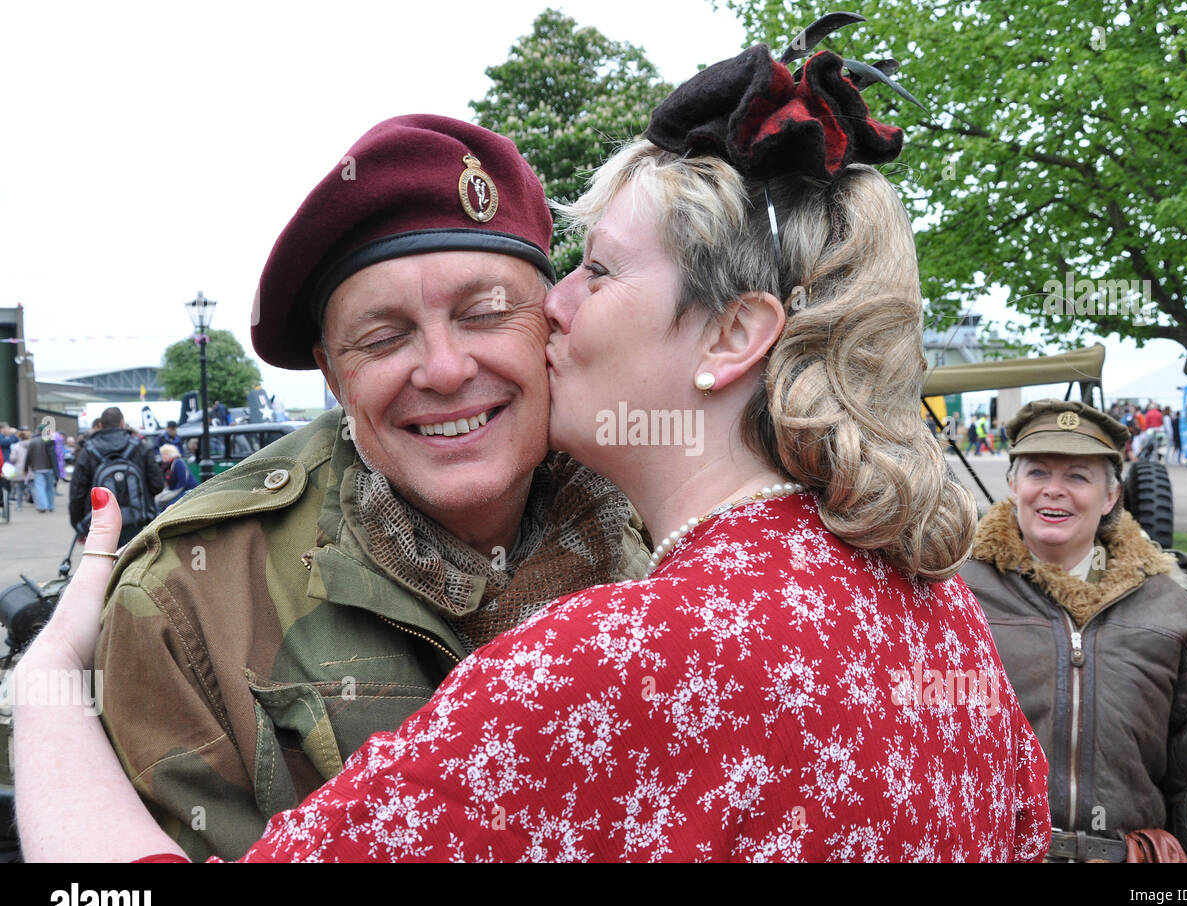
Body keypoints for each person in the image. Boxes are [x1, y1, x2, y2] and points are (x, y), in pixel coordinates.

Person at [16, 41, 1050, 862]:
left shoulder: (615, 658)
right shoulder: (938, 607)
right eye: (383, 336)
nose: (551, 306)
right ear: (331, 372)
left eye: (592, 271)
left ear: (735, 335)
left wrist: (46, 687)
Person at [85, 115, 648, 861]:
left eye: (483, 314)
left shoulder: (666, 504)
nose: (444, 369)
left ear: (550, 324)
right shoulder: (182, 600)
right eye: (383, 337)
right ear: (332, 375)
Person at [960, 399, 1187, 862]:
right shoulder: (954, 598)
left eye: (1077, 476)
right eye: (1038, 473)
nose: (1053, 491)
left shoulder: (1170, 611)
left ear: (1111, 496)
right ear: (1014, 484)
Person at [68, 406, 164, 546]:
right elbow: (157, 485)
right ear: (122, 423)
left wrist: (79, 526)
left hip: (101, 522)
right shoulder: (139, 446)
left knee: (105, 564)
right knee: (131, 563)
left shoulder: (88, 451)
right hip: (135, 521)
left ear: (100, 425)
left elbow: (77, 493)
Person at [21, 424, 58, 513]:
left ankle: (43, 506)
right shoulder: (49, 441)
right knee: (50, 487)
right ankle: (51, 506)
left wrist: (25, 469)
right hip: (49, 468)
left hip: (37, 468)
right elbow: (53, 457)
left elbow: (28, 456)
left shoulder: (33, 441)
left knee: (40, 487)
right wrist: (57, 470)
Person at [154, 444, 199, 510]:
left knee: (168, 507)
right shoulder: (165, 465)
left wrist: (169, 495)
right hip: (175, 491)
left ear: (171, 454)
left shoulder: (178, 463)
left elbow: (182, 483)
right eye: (162, 454)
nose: (162, 456)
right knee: (158, 502)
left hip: (188, 491)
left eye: (165, 454)